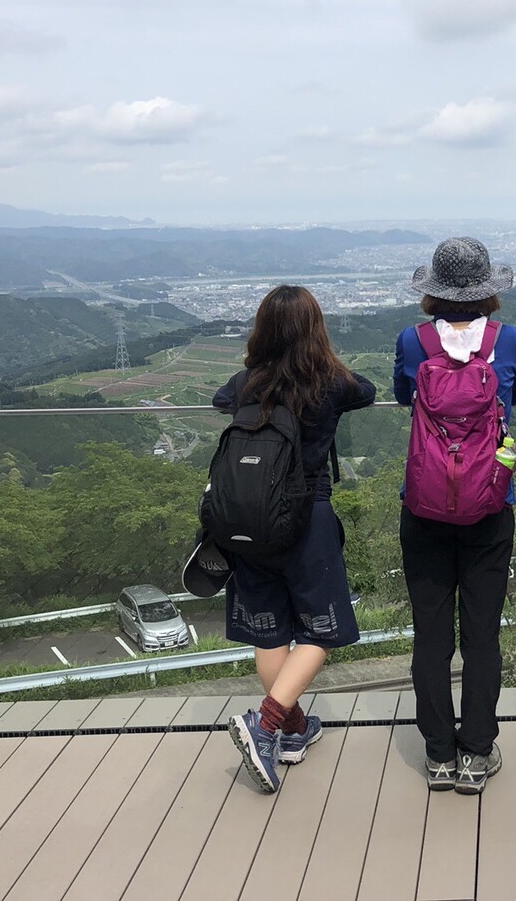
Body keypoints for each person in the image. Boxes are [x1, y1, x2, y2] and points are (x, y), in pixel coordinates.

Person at [213, 285, 376, 793]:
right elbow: (368, 390)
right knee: (322, 631)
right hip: (308, 523)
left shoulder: (245, 383)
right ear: (315, 329)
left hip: (248, 525)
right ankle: (265, 727)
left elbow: (222, 400)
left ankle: (293, 730)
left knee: (270, 630)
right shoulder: (331, 383)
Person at [394, 237, 516, 794]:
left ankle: (437, 755)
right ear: (487, 291)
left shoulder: (414, 339)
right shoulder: (509, 338)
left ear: (433, 290)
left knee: (431, 635)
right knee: (481, 633)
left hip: (424, 505)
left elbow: (406, 393)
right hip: (489, 503)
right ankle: (477, 753)